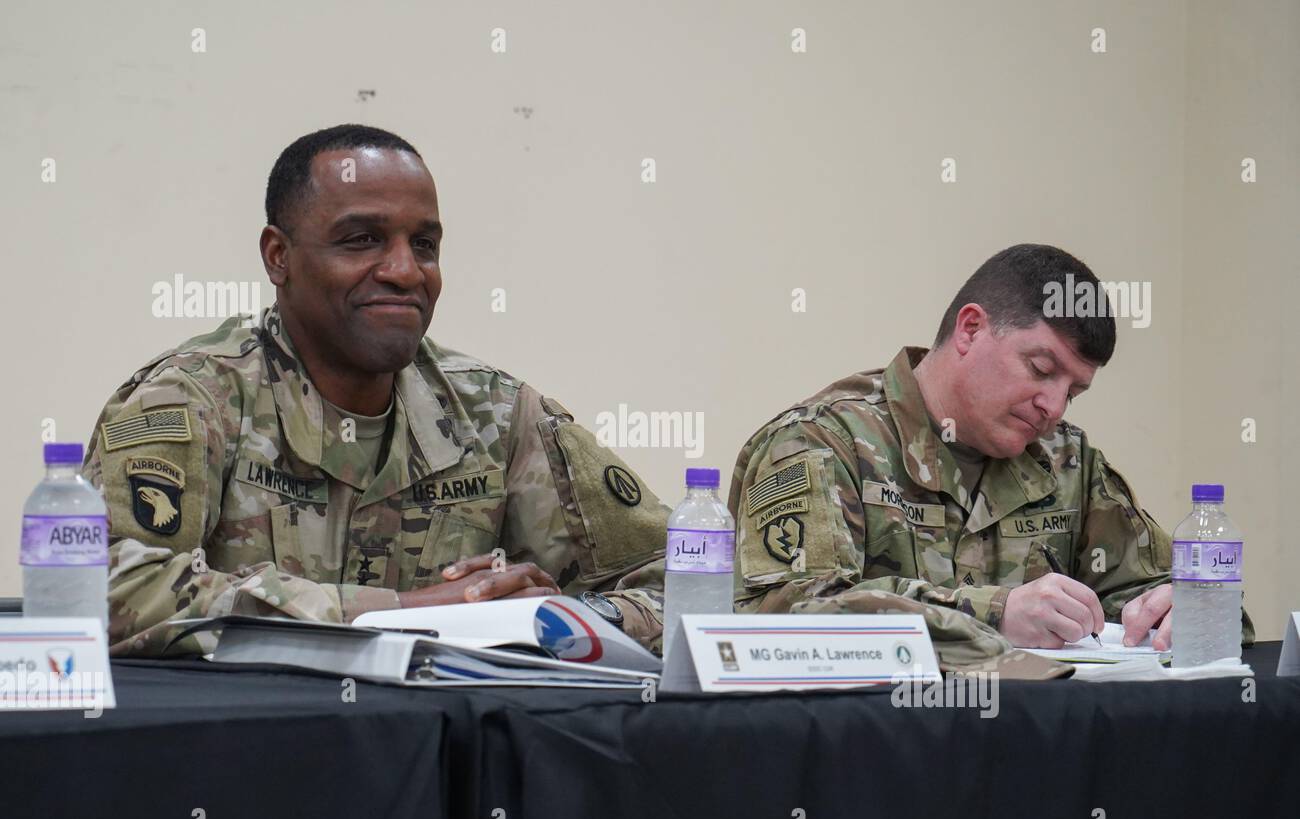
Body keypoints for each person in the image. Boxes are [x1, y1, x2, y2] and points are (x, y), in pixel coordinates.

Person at [83, 125, 668, 657]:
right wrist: (398, 615)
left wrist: (546, 616)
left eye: (424, 245)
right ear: (278, 256)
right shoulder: (195, 400)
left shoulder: (496, 415)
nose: (405, 271)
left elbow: (686, 581)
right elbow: (102, 587)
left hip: (438, 757)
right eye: (362, 240)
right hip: (244, 752)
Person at [730, 243, 1252, 666]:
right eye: (1041, 369)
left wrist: (1186, 611)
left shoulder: (1066, 461)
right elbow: (785, 616)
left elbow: (1153, 589)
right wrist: (994, 613)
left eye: (1073, 392)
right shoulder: (822, 443)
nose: (1052, 406)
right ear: (971, 329)